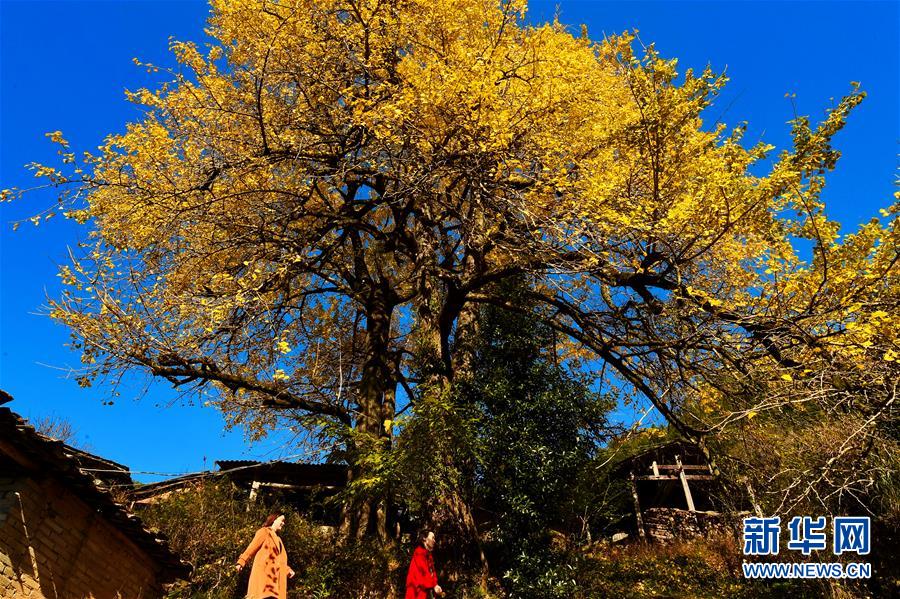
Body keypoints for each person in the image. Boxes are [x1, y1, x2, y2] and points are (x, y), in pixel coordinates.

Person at [235, 513, 296, 599]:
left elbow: (278, 559)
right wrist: (241, 561)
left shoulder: (279, 540)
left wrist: (287, 570)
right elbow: (252, 548)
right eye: (282, 520)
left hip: (275, 581)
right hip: (264, 579)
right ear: (274, 520)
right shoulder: (264, 532)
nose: (283, 523)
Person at [405, 530, 443, 598]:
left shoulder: (429, 555)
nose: (434, 541)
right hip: (417, 592)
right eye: (432, 538)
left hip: (426, 591)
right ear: (424, 538)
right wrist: (434, 585)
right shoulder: (419, 553)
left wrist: (436, 584)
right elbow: (424, 572)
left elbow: (432, 572)